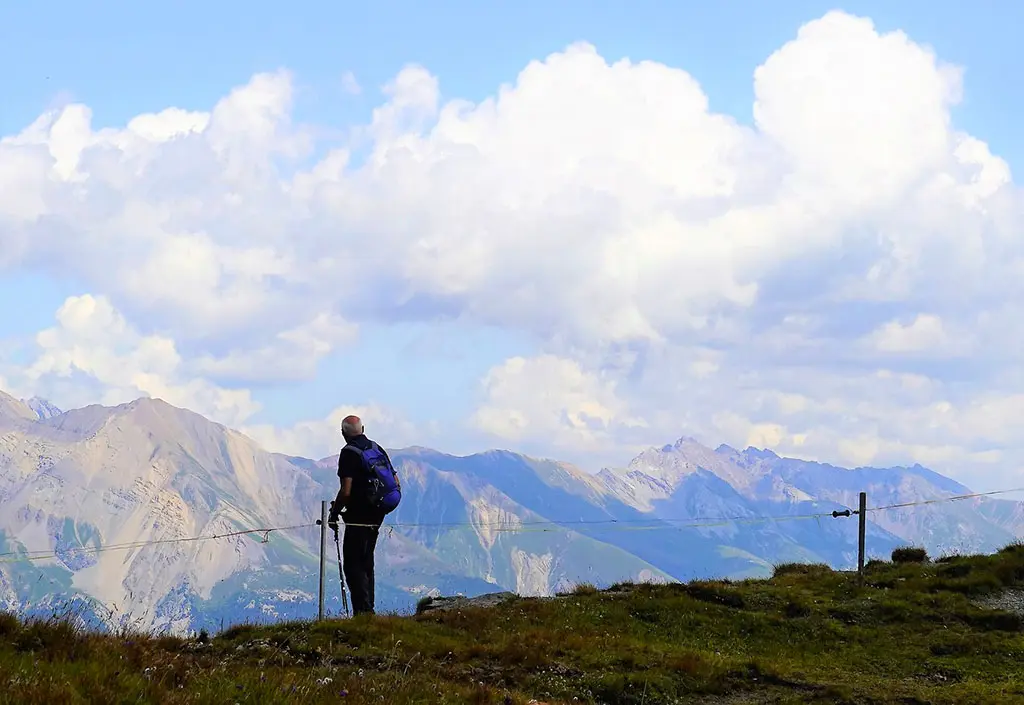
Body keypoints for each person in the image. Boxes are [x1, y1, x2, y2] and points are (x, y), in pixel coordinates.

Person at [327, 415, 401, 616]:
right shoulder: (376, 447)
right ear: (363, 428)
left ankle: (363, 612)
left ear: (343, 434)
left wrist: (334, 513)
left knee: (353, 563)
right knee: (367, 558)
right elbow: (395, 479)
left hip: (359, 514)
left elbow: (346, 491)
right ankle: (369, 608)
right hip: (378, 512)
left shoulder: (348, 453)